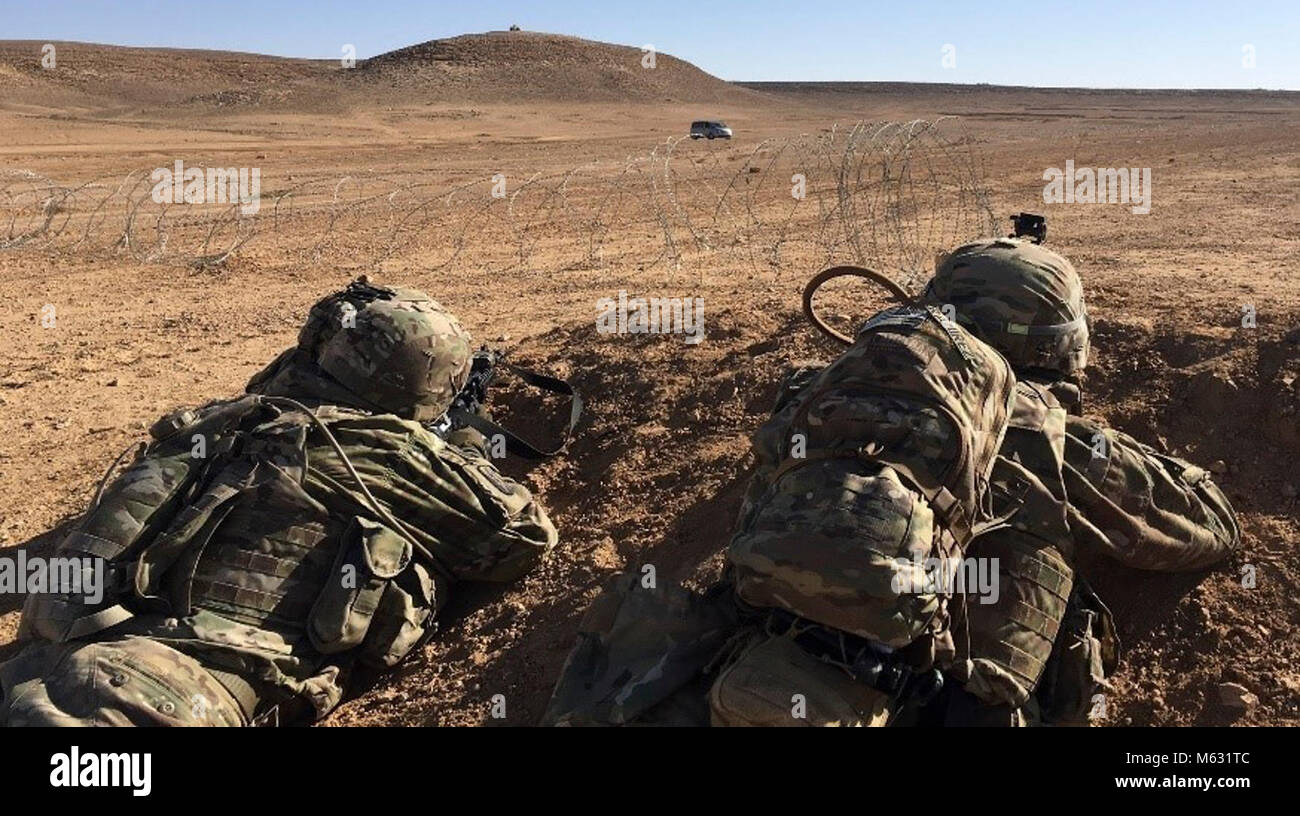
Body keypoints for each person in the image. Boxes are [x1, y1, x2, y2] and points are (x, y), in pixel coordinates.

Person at [545, 238, 1238, 727]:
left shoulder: (823, 392)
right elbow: (1209, 526)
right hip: (932, 699)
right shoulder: (1049, 437)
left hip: (762, 664)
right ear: (1059, 344)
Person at [0, 278, 557, 726]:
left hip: (42, 656)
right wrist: (457, 447)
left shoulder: (221, 420)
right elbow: (519, 539)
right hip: (158, 690)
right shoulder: (380, 452)